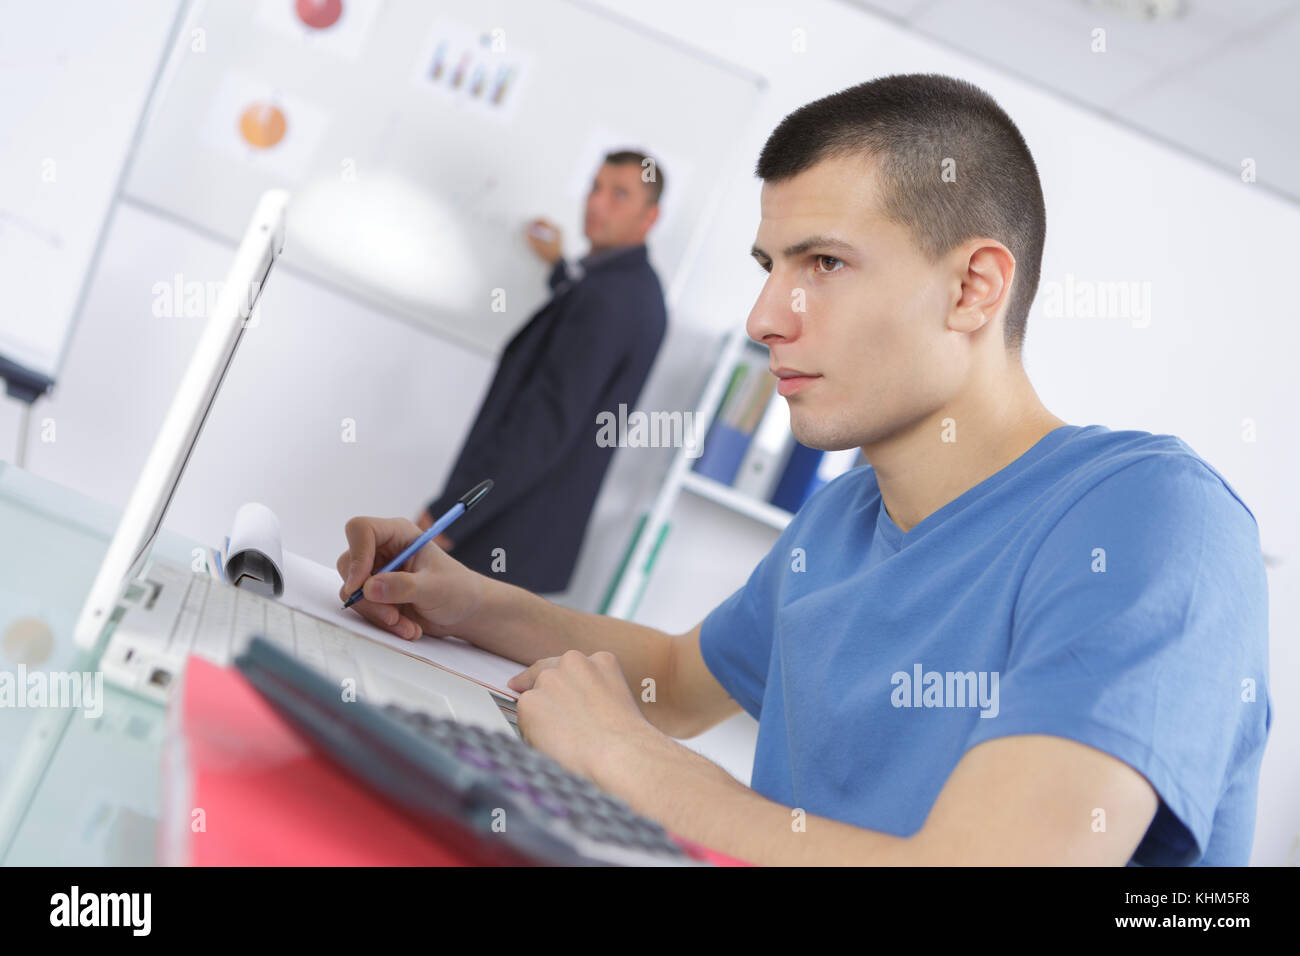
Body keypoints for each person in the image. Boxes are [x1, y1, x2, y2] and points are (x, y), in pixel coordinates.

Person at [341, 75, 1271, 866]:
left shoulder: (1154, 521)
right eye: (769, 264)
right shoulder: (844, 519)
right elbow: (672, 680)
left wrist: (629, 763)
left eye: (823, 262)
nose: (764, 318)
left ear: (972, 288)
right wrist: (469, 601)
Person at [417, 150, 668, 595]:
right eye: (595, 187)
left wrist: (452, 514)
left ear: (650, 218)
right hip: (529, 543)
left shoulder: (608, 300)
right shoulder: (630, 290)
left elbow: (543, 427)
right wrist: (558, 265)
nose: (596, 203)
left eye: (619, 194)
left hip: (500, 537)